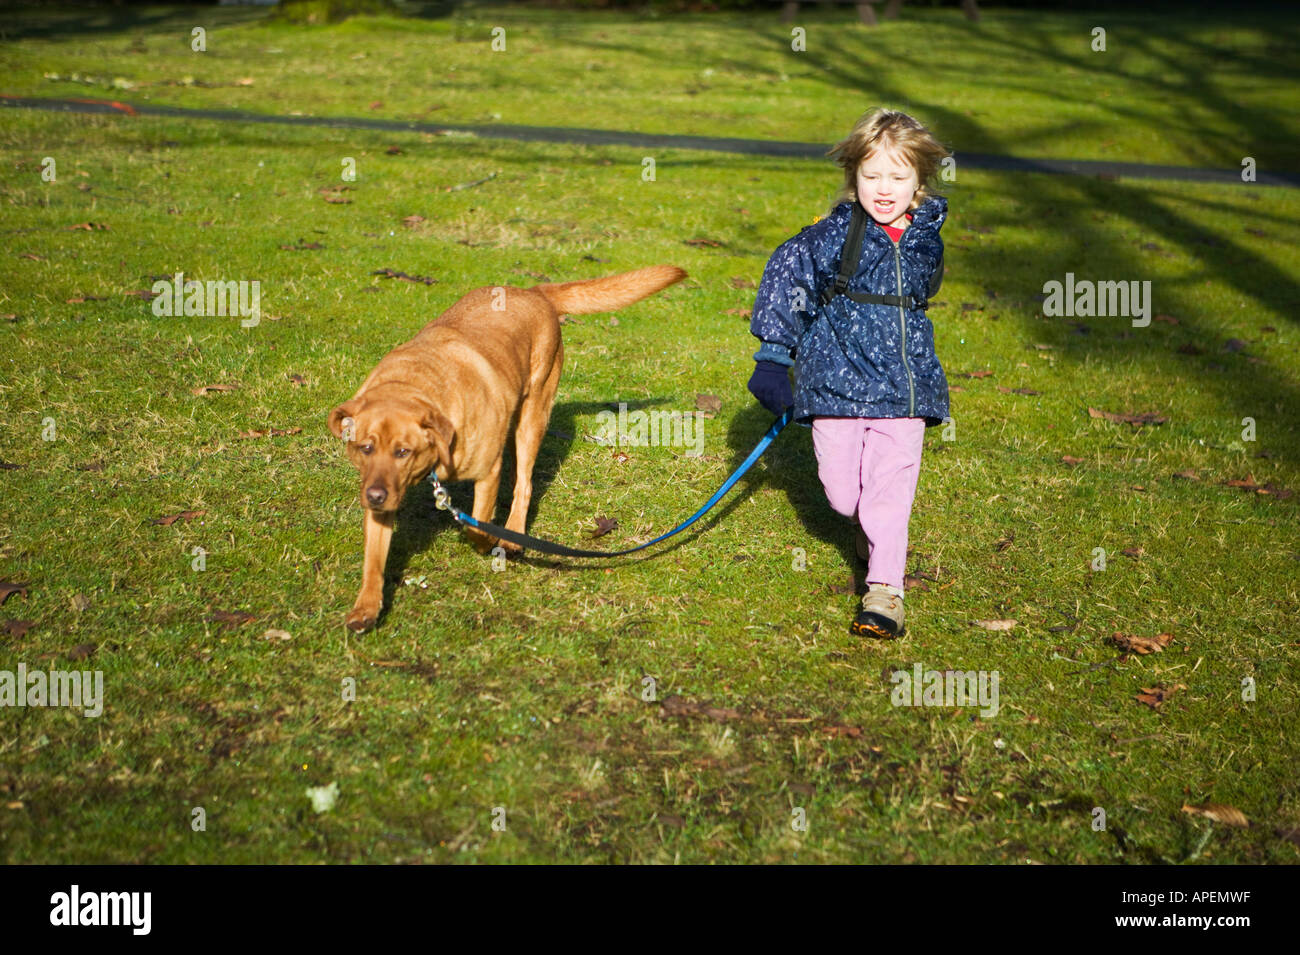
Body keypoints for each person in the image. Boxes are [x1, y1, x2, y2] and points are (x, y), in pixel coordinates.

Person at [746, 108, 951, 638]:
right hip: (834, 382)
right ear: (852, 175)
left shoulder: (928, 235)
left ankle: (885, 592)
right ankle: (869, 531)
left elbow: (922, 295)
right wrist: (773, 358)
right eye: (872, 175)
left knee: (889, 490)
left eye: (898, 177)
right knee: (842, 495)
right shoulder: (826, 238)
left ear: (920, 181)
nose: (885, 189)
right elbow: (786, 279)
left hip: (905, 387)